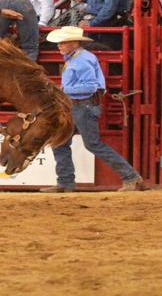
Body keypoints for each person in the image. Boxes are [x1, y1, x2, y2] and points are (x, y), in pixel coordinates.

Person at [42, 26, 145, 193]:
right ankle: (65, 182)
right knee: (61, 142)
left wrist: (61, 91)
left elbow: (90, 87)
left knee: (90, 144)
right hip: (79, 106)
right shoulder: (79, 58)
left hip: (83, 106)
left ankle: (131, 177)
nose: (58, 46)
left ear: (74, 43)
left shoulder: (80, 61)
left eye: (62, 43)